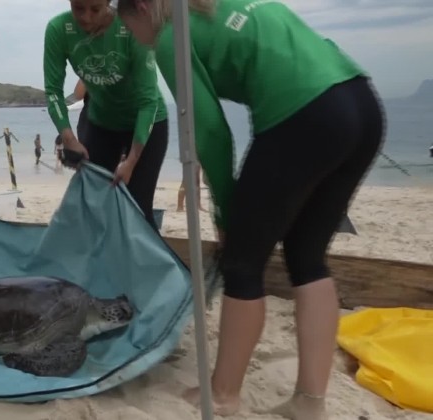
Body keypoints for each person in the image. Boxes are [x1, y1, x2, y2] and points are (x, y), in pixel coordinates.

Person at [117, 0, 385, 418]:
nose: (143, 46)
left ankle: (223, 394)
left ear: (141, 11)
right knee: (307, 255)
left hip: (303, 113)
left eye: (134, 33)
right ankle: (309, 402)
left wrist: (227, 213)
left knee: (242, 262)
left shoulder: (172, 35)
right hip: (362, 104)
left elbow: (208, 131)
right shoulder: (225, 4)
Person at [43, 0, 170, 229]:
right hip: (102, 123)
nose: (87, 17)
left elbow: (148, 102)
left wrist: (130, 161)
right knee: (92, 206)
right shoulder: (58, 29)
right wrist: (69, 139)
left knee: (136, 209)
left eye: (95, 9)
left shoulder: (130, 26)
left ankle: (148, 263)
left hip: (147, 121)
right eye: (78, 8)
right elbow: (53, 91)